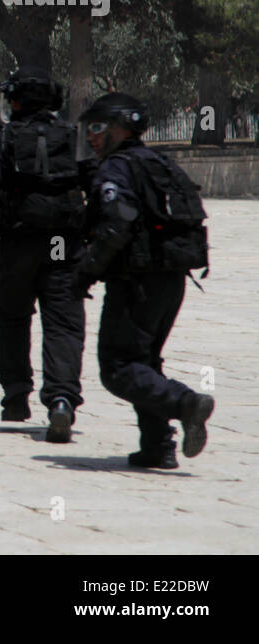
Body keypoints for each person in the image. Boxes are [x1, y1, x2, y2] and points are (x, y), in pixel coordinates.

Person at [72, 92, 214, 469]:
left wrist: (86, 271)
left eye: (99, 128)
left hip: (137, 281)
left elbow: (117, 225)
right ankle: (157, 446)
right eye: (90, 129)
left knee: (118, 368)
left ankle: (185, 403)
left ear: (121, 129)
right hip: (172, 278)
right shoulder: (159, 163)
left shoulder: (115, 169)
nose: (92, 137)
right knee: (144, 362)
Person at [0, 67, 88, 441]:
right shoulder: (73, 137)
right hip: (61, 241)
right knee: (63, 319)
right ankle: (61, 400)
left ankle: (16, 396)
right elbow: (97, 179)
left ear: (15, 102)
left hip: (18, 238)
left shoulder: (0, 138)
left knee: (12, 315)